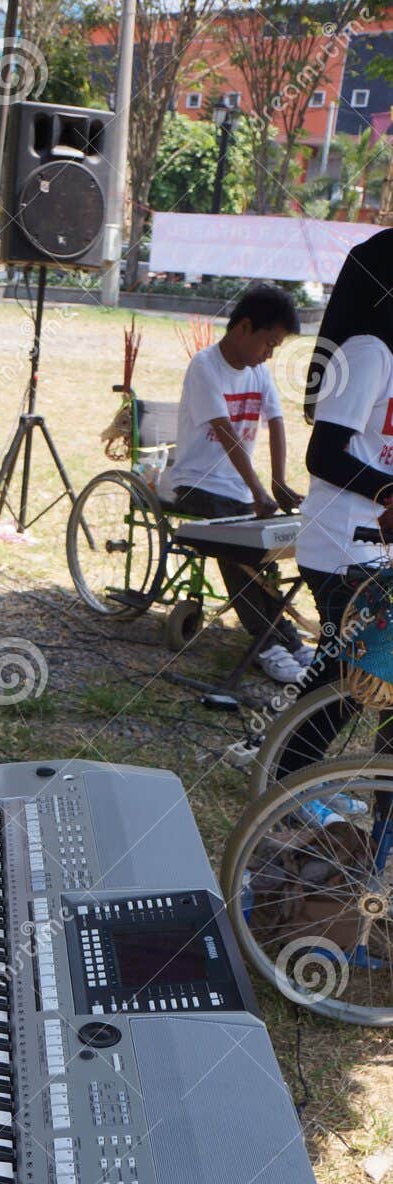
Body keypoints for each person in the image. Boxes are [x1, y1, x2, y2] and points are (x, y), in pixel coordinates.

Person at [278, 228, 393, 777]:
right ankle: (290, 785)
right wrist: (388, 494)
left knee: (348, 679)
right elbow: (323, 455)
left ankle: (292, 780)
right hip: (342, 545)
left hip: (371, 547)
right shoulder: (367, 352)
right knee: (349, 680)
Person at [159, 284, 309, 685]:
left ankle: (287, 637)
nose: (270, 354)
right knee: (238, 545)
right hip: (197, 484)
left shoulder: (258, 372)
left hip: (239, 491)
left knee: (265, 548)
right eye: (269, 343)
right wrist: (259, 491)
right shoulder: (205, 367)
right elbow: (225, 433)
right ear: (244, 327)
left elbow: (276, 422)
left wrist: (277, 482)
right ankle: (268, 643)